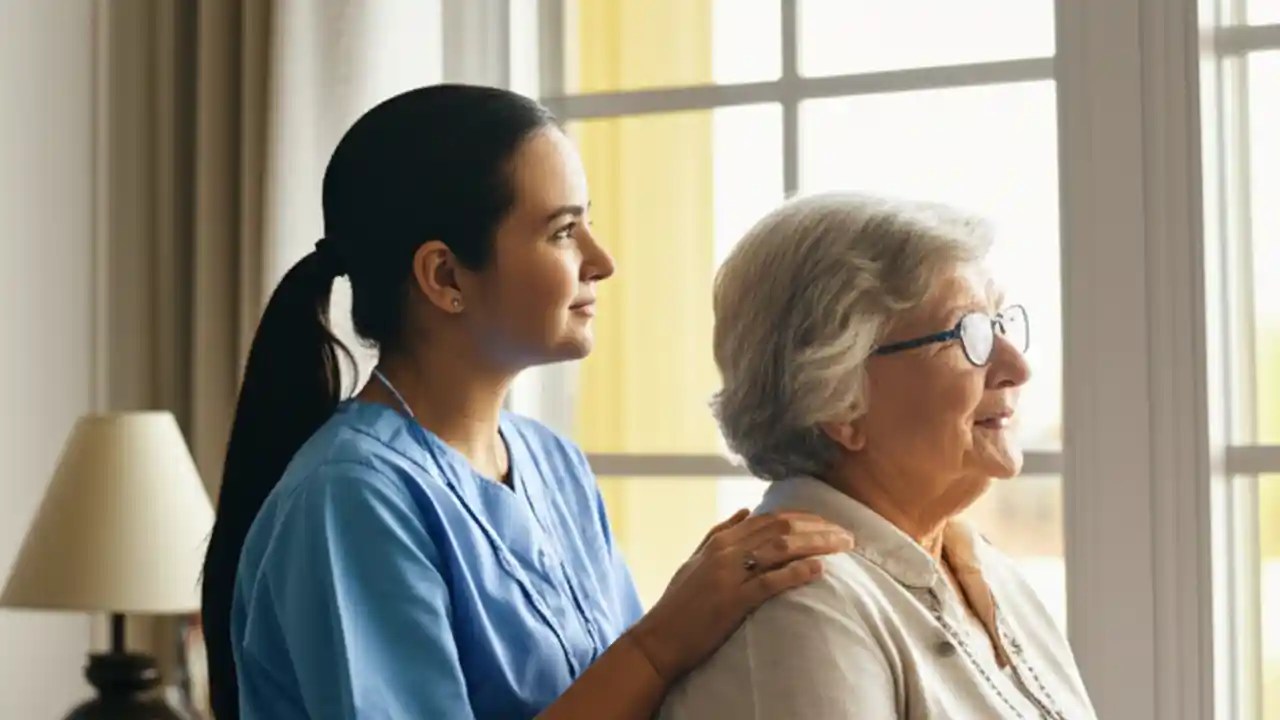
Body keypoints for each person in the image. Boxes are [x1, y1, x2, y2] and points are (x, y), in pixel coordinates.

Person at [198, 84, 855, 720]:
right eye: (564, 231)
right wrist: (663, 640)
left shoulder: (554, 465)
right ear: (446, 276)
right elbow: (642, 668)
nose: (601, 261)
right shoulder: (350, 497)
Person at [658, 193, 1097, 719]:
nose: (1016, 366)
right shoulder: (797, 604)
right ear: (839, 398)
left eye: (999, 323)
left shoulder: (982, 567)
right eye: (969, 334)